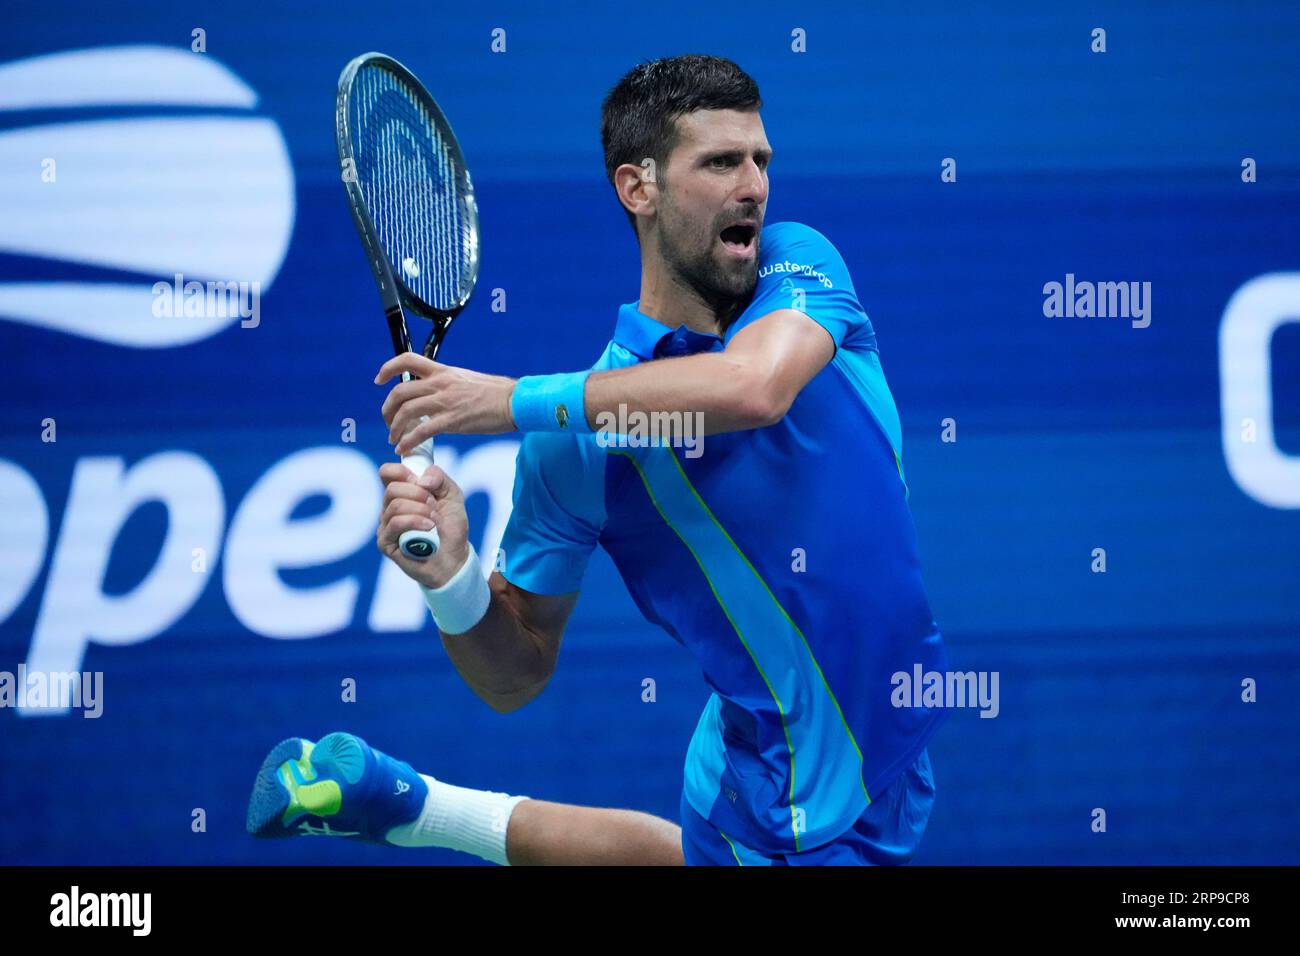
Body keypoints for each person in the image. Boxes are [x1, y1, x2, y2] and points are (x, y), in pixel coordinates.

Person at [247, 53, 949, 865]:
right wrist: (451, 579)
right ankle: (402, 803)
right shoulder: (573, 450)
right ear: (637, 188)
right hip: (771, 791)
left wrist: (508, 401)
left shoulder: (799, 266)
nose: (753, 185)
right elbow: (516, 673)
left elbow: (754, 388)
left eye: (760, 159)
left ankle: (397, 798)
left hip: (884, 744)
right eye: (720, 162)